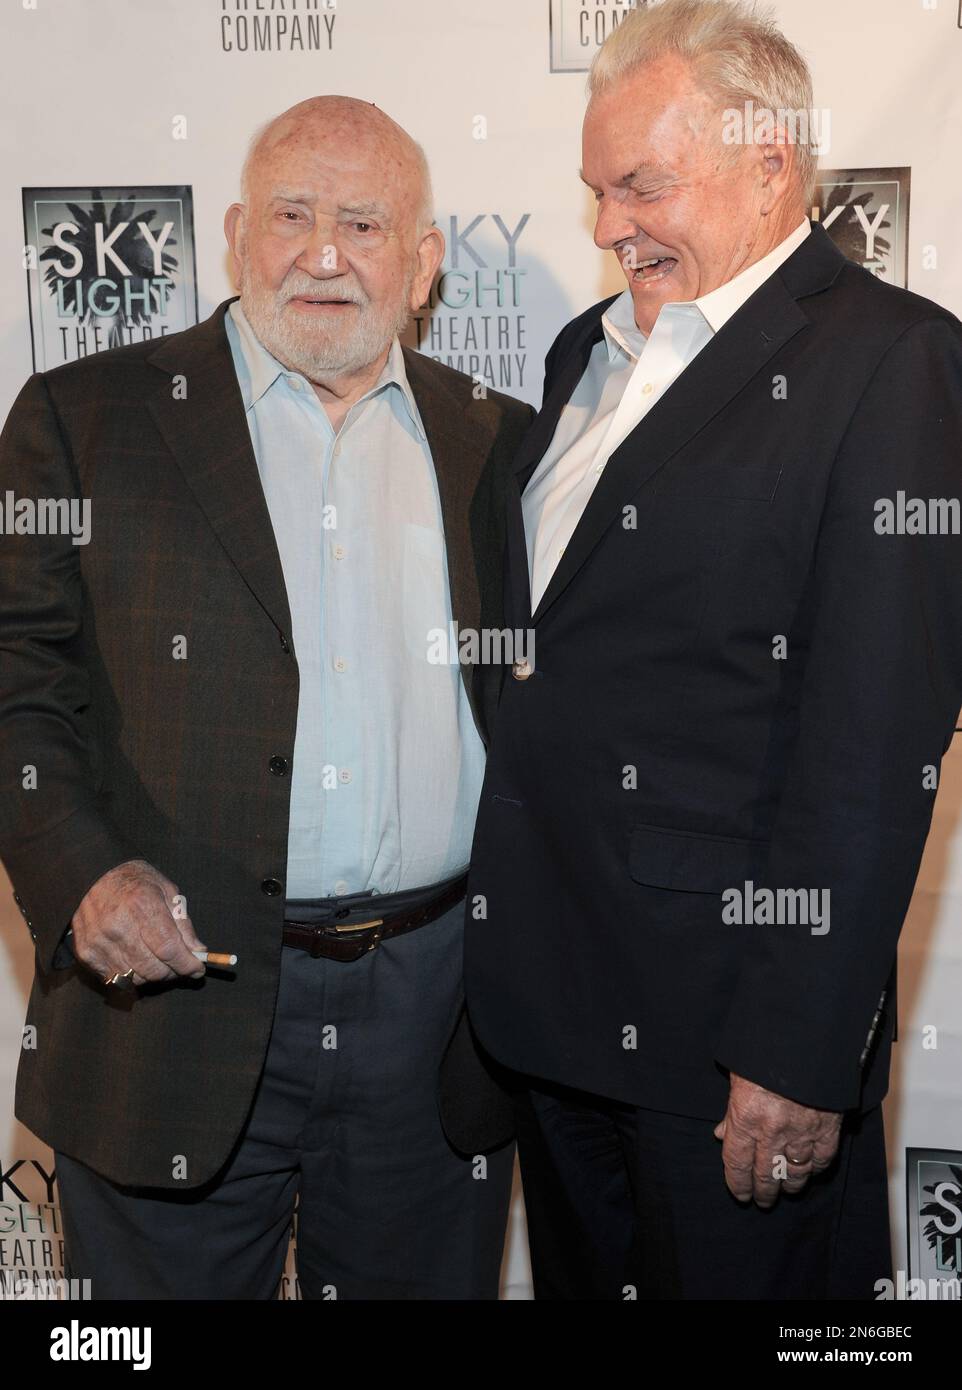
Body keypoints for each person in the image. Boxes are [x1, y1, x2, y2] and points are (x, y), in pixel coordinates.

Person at [464, 0, 962, 1299]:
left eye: (639, 184)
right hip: (546, 1013)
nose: (604, 224)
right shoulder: (588, 348)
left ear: (768, 163)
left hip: (725, 1044)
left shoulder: (890, 361)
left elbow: (870, 743)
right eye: (592, 189)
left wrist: (798, 1051)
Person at [0, 95, 532, 1300]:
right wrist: (82, 872)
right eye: (291, 213)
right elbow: (13, 679)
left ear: (425, 259)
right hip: (172, 1010)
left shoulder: (498, 442)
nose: (324, 251)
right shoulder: (87, 421)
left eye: (363, 219)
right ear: (236, 231)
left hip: (437, 1021)